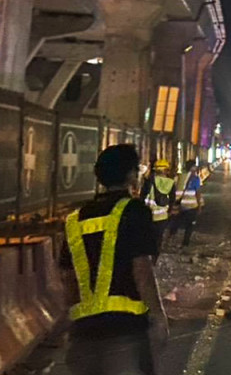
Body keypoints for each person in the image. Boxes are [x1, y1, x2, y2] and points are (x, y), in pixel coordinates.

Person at [59, 144, 168, 375]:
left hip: (83, 334)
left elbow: (68, 279)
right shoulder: (135, 211)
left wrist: (70, 325)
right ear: (130, 174)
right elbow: (142, 269)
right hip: (125, 332)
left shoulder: (73, 220)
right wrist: (158, 316)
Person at [169, 159, 203, 247]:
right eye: (194, 166)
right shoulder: (196, 179)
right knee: (190, 225)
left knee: (177, 222)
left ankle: (170, 237)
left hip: (180, 205)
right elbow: (197, 193)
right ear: (192, 168)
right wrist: (199, 206)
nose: (196, 167)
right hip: (191, 206)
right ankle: (185, 243)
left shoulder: (180, 177)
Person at [140, 160, 175, 245]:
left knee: (148, 237)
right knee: (159, 237)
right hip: (162, 215)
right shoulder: (171, 183)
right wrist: (169, 211)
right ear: (166, 170)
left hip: (149, 214)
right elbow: (172, 199)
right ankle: (155, 255)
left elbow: (142, 196)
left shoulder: (150, 181)